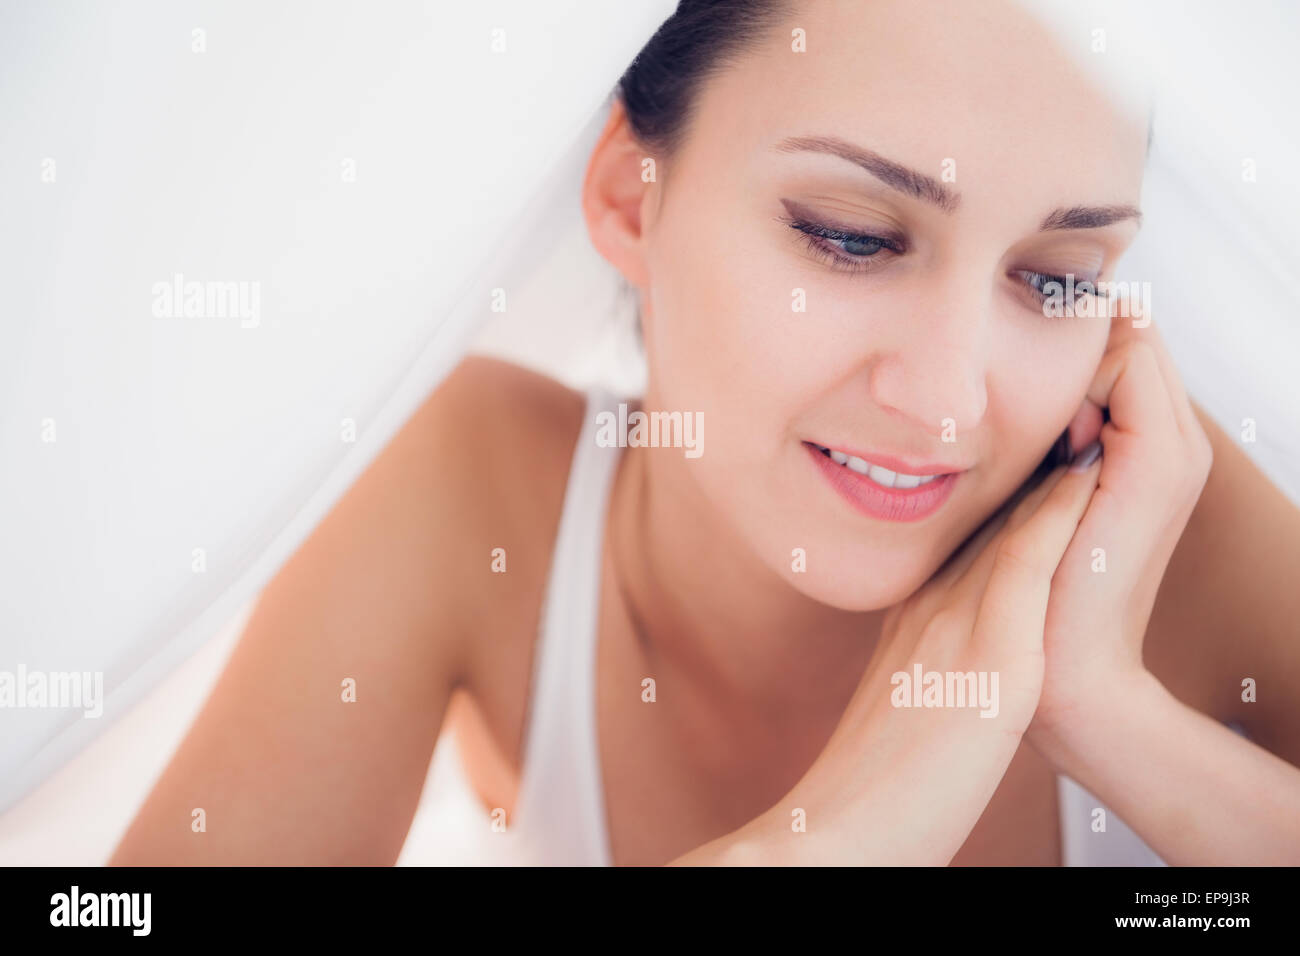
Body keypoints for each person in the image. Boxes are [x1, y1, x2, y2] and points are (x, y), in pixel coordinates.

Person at [110, 0, 1300, 866]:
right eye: (848, 234)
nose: (946, 399)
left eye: (1053, 278)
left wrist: (1109, 715)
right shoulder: (471, 495)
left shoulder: (1171, 537)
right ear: (634, 199)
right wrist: (823, 844)